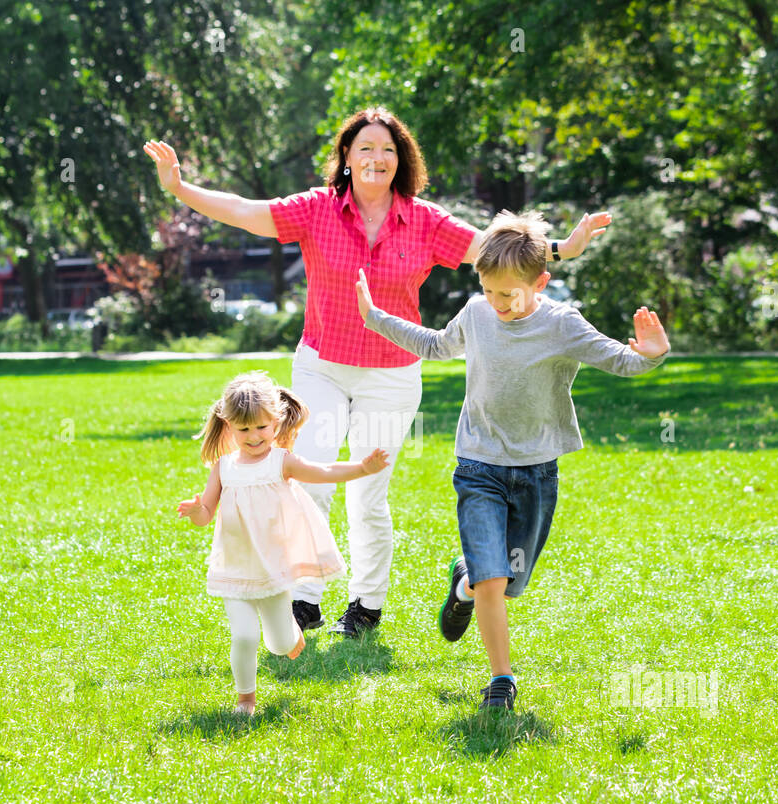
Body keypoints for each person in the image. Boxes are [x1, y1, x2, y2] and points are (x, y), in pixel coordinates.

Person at [145, 107, 611, 640]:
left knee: (367, 494)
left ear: (400, 160)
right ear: (346, 157)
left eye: (387, 150)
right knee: (309, 477)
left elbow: (500, 250)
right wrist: (180, 188)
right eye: (364, 148)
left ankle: (366, 605)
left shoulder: (424, 219)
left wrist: (563, 249)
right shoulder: (316, 209)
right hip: (322, 363)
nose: (376, 158)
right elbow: (248, 212)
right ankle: (305, 600)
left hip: (392, 373)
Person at [354, 211, 670, 710]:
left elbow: (622, 360)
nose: (498, 304)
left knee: (507, 581)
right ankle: (501, 679)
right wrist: (375, 316)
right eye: (491, 292)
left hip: (536, 473)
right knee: (495, 580)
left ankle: (465, 582)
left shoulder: (562, 325)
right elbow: (435, 345)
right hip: (477, 466)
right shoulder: (477, 314)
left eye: (510, 295)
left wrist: (651, 354)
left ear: (541, 281)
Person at [176, 371, 389, 714]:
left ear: (275, 423)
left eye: (261, 427)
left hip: (273, 570)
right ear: (228, 426)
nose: (254, 436)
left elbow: (325, 472)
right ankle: (246, 699)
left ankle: (292, 635)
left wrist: (362, 468)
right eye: (243, 429)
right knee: (244, 636)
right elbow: (207, 515)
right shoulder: (223, 467)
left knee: (279, 645)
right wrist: (196, 510)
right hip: (234, 567)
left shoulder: (282, 461)